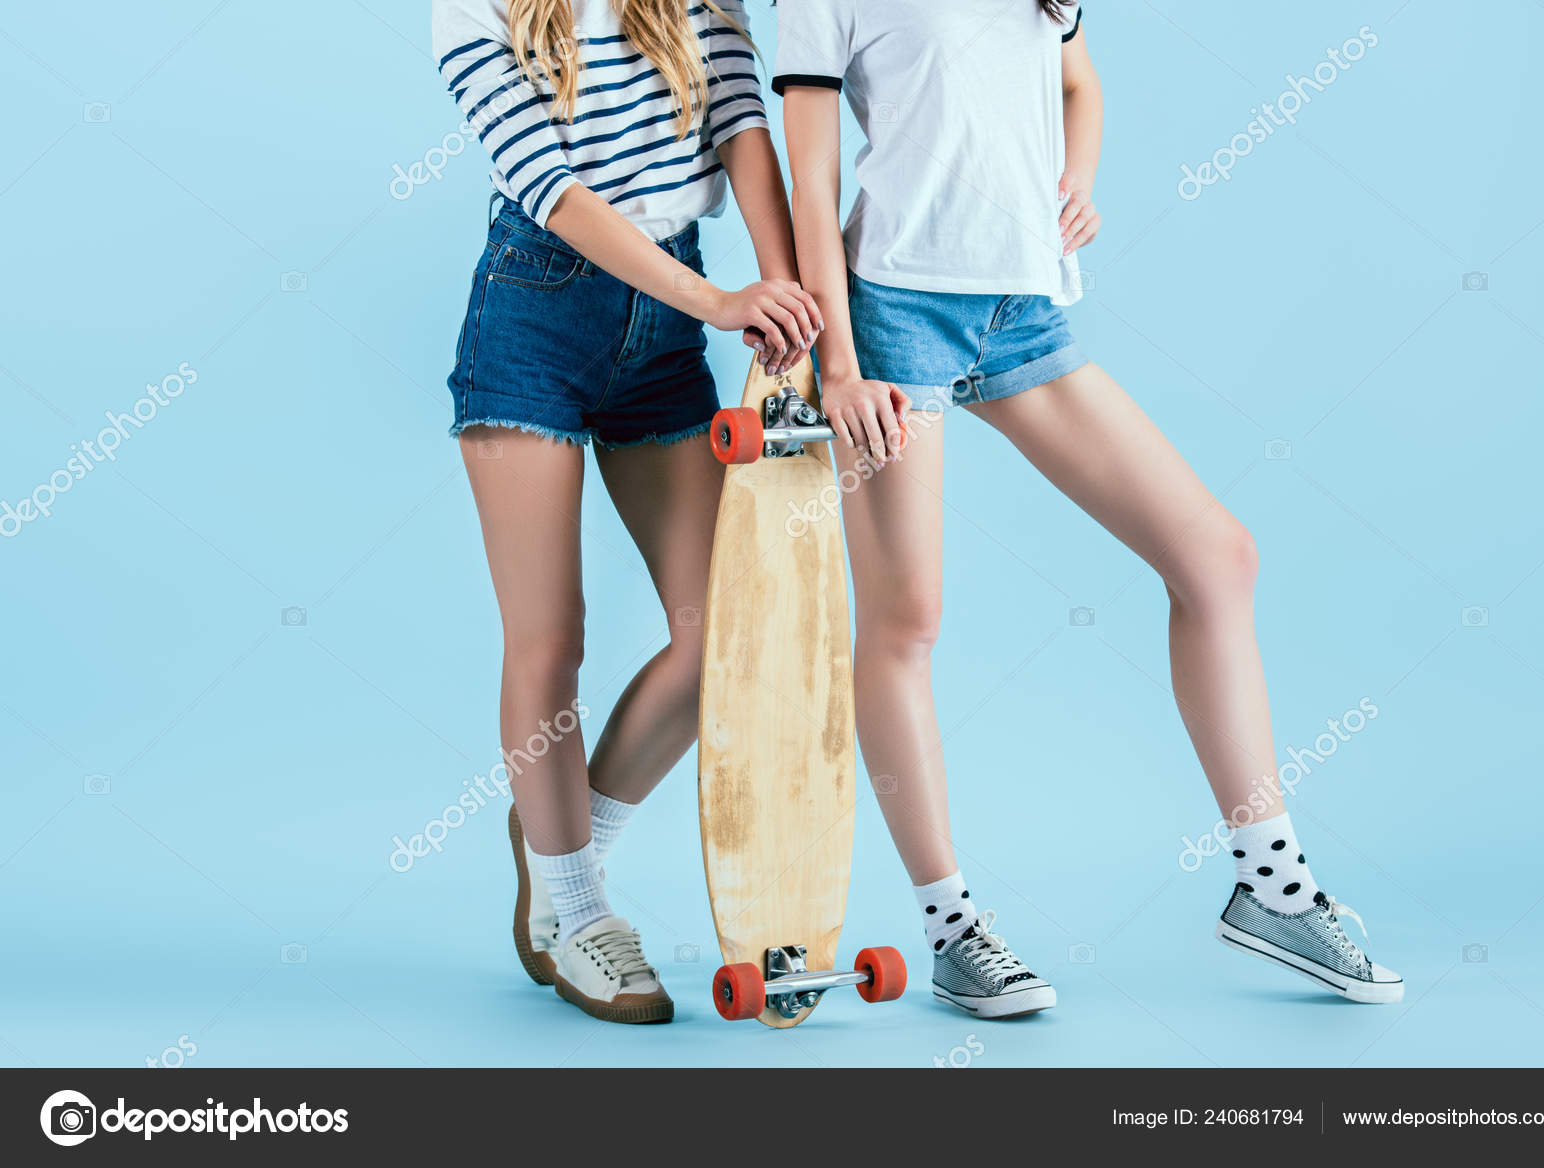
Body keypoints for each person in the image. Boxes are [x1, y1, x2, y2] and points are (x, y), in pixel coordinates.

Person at [775, 0, 1402, 1018]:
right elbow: (809, 178)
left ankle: (1270, 885)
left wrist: (1079, 183)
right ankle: (951, 931)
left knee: (1215, 557)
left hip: (1023, 301)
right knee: (907, 620)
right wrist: (837, 367)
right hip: (895, 309)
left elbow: (1078, 79)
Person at [434, 0, 821, 1023]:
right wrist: (719, 303)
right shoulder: (472, 7)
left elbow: (743, 126)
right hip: (534, 313)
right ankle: (575, 911)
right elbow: (553, 193)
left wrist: (783, 295)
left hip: (667, 326)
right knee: (550, 637)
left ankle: (566, 844)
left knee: (723, 639)